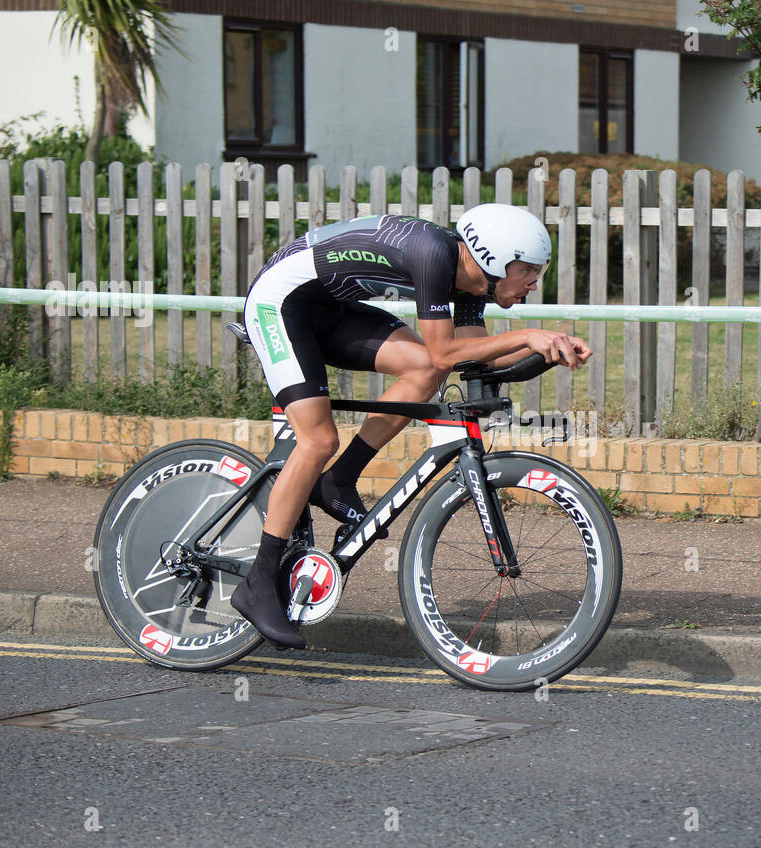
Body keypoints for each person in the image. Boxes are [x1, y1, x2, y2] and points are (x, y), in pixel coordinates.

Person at [233, 203, 592, 648]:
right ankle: (258, 583)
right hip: (280, 303)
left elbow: (478, 355)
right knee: (318, 439)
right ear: (495, 260)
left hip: (330, 309)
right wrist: (528, 336)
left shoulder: (470, 281)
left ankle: (338, 481)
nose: (534, 283)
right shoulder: (433, 254)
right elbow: (448, 351)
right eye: (529, 271)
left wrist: (549, 349)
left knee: (424, 369)